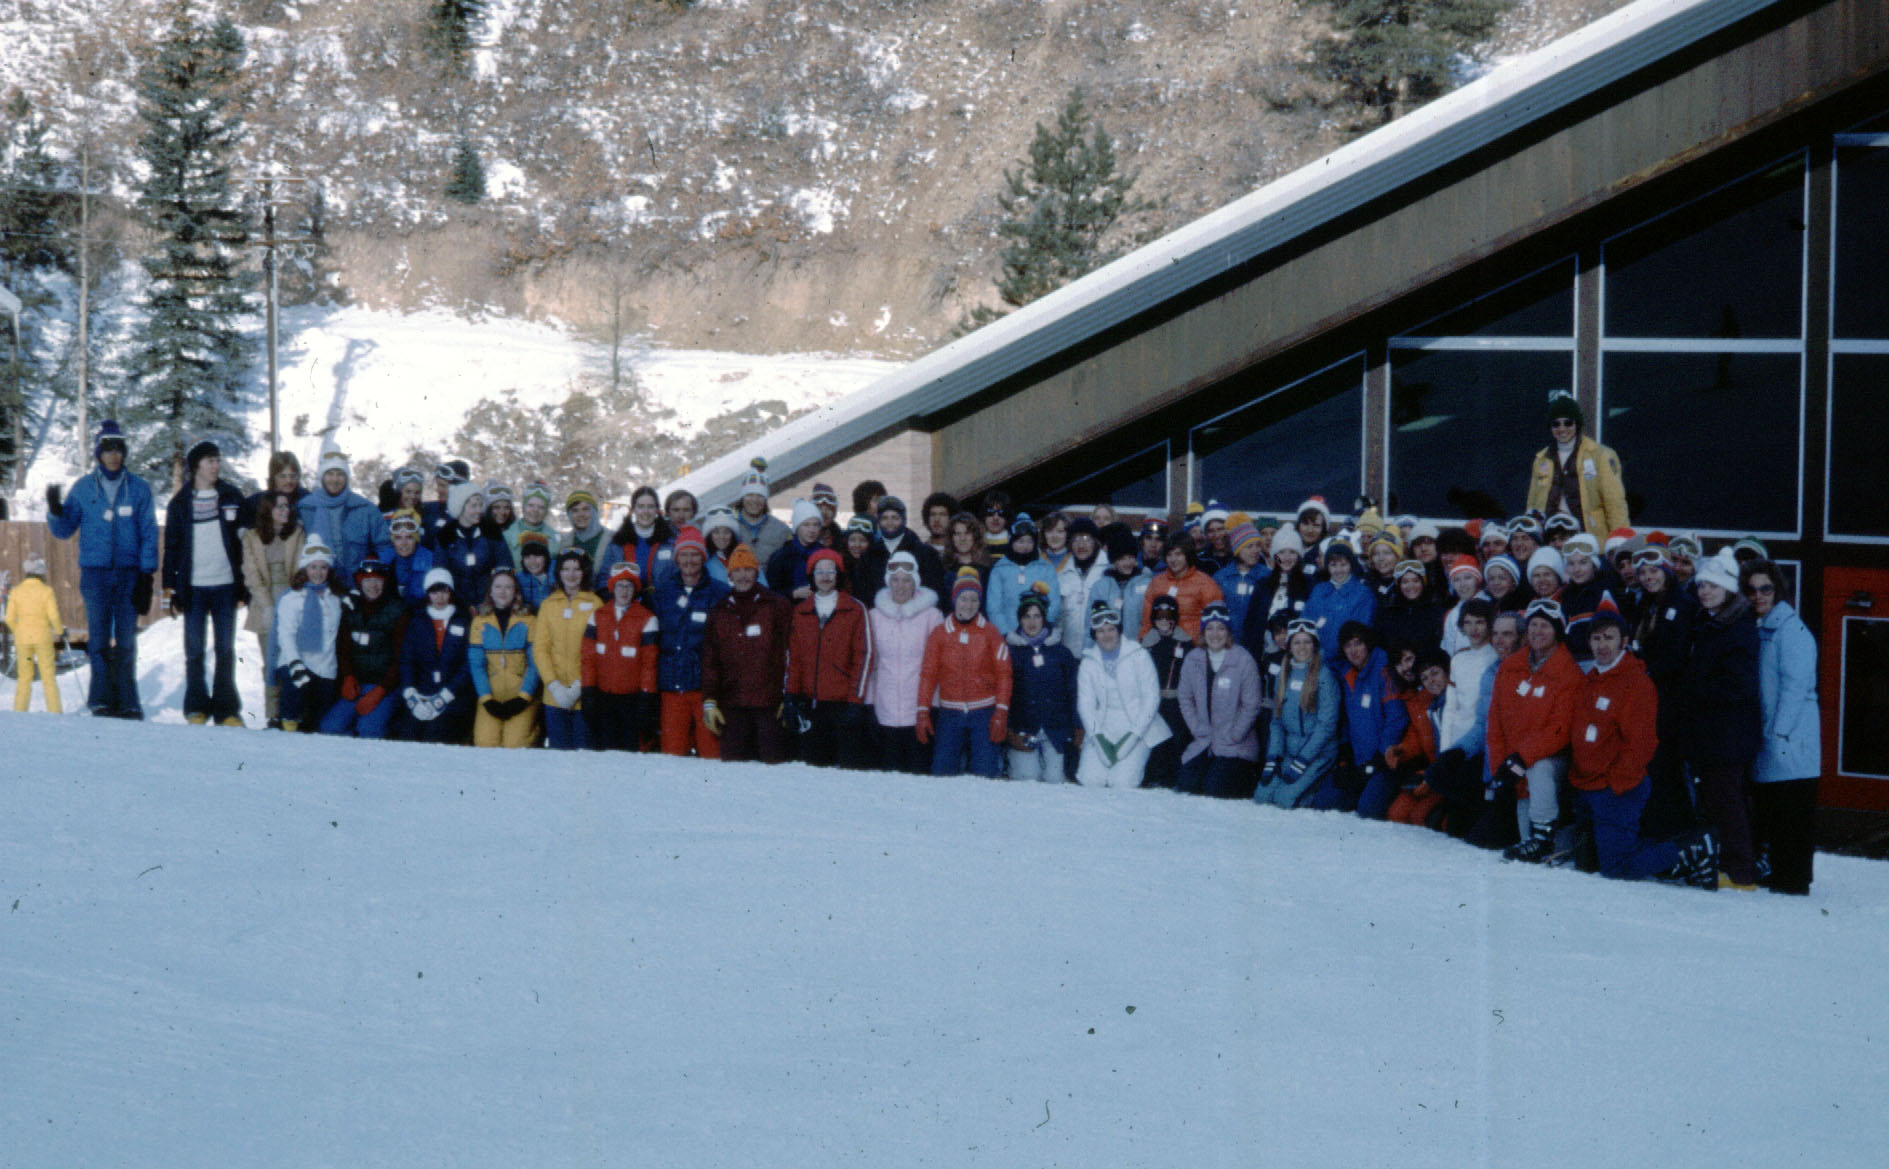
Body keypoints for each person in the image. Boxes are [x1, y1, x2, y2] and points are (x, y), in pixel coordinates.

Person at [1567, 594, 1719, 886]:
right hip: (1587, 786)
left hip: (1615, 788)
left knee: (1615, 867)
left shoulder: (1635, 682)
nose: (1602, 645)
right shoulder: (1590, 679)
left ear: (1624, 641)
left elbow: (1641, 743)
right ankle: (1671, 859)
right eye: (1596, 638)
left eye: (1609, 637)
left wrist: (1616, 784)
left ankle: (1693, 848)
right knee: (1589, 862)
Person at [46, 419, 159, 719]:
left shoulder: (138, 489)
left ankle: (127, 700)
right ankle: (101, 700)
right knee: (97, 639)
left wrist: (146, 574)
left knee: (125, 639)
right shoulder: (84, 488)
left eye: (119, 449)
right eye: (108, 450)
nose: (114, 456)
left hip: (129, 574)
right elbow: (64, 530)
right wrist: (55, 511)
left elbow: (149, 531)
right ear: (99, 453)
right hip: (95, 575)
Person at [1680, 549, 1764, 888]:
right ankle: (1725, 862)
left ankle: (1740, 870)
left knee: (1728, 800)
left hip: (1729, 733)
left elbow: (1740, 684)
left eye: (1712, 586)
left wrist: (1697, 689)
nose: (1704, 592)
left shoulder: (1737, 627)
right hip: (1712, 731)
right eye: (1701, 585)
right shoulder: (1710, 622)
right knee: (1717, 798)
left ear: (1729, 588)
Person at [1743, 558, 1820, 895]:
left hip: (1791, 741)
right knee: (1778, 810)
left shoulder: (1791, 630)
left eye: (1766, 588)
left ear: (1778, 590)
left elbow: (1795, 687)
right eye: (1751, 590)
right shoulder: (1762, 628)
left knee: (1794, 809)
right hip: (1773, 741)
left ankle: (1794, 879)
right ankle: (1783, 873)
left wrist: (1779, 733)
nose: (1758, 595)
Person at [1487, 598, 1583, 862]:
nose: (1537, 631)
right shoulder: (1511, 667)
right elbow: (1495, 723)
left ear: (1557, 631)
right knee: (1516, 836)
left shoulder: (1568, 673)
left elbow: (1560, 729)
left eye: (1545, 626)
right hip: (1517, 765)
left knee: (1539, 769)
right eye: (1533, 625)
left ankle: (1545, 838)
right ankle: (1545, 839)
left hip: (1550, 763)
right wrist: (1500, 769)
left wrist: (1521, 758)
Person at [701, 544, 794, 764]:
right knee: (734, 768)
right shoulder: (719, 610)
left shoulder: (777, 605)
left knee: (772, 767)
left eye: (748, 570)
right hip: (732, 703)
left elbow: (791, 652)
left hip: (769, 703)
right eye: (737, 570)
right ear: (730, 575)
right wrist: (710, 700)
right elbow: (711, 660)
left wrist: (790, 695)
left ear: (756, 572)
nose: (743, 576)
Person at [917, 570, 1013, 777]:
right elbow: (928, 674)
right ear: (954, 599)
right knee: (942, 772)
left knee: (985, 773)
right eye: (963, 599)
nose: (968, 605)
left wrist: (1001, 711)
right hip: (950, 712)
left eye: (974, 599)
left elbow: (1004, 674)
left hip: (984, 711)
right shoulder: (940, 633)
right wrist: (923, 710)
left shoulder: (991, 632)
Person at [786, 548, 875, 769]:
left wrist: (855, 701)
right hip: (812, 704)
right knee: (815, 770)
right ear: (811, 576)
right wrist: (791, 696)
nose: (825, 577)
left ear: (838, 575)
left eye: (830, 571)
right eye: (819, 571)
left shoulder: (855, 609)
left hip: (843, 704)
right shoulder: (801, 611)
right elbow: (794, 658)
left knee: (846, 770)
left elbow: (864, 656)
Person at [653, 527, 730, 759]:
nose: (689, 560)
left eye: (695, 554)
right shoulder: (663, 592)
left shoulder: (719, 592)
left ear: (703, 558)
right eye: (684, 555)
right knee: (673, 754)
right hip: (672, 686)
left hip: (705, 690)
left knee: (711, 754)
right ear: (676, 559)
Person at [1316, 622, 1409, 815]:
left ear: (1368, 643)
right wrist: (1345, 754)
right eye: (1347, 645)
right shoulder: (1347, 674)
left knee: (1367, 811)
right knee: (1323, 801)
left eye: (1358, 643)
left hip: (1384, 761)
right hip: (1359, 761)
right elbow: (1347, 720)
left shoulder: (1383, 668)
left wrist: (1382, 755)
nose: (1353, 650)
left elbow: (1396, 717)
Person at [1075, 601, 1168, 788]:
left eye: (1111, 629)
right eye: (1101, 631)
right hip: (1103, 726)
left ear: (1119, 631)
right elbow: (1085, 704)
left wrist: (1133, 735)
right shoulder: (1088, 662)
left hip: (1137, 725)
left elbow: (1151, 699)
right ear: (1094, 635)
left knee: (1122, 782)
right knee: (1090, 780)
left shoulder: (1139, 655)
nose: (1107, 635)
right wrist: (1097, 738)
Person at [1175, 601, 1263, 799]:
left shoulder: (1243, 660)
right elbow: (1185, 697)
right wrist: (1196, 727)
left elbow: (1251, 704)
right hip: (1205, 739)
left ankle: (1246, 776)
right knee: (1186, 784)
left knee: (1214, 788)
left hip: (1235, 743)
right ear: (1203, 632)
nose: (1215, 634)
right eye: (1210, 628)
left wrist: (1235, 735)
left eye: (1221, 628)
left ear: (1229, 632)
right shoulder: (1193, 659)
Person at [868, 550, 943, 773]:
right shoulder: (874, 616)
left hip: (919, 711)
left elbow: (937, 665)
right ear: (888, 582)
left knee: (917, 775)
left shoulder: (931, 616)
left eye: (907, 580)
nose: (900, 586)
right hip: (885, 711)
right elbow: (871, 665)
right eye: (895, 580)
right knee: (890, 776)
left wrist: (933, 705)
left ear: (915, 583)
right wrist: (869, 704)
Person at [1254, 618, 1342, 808]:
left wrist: (1304, 759)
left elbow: (1326, 726)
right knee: (1262, 797)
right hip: (1290, 751)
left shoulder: (1324, 676)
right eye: (1297, 642)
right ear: (1290, 647)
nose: (1302, 647)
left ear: (1315, 645)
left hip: (1317, 753)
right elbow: (1276, 722)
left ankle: (1317, 786)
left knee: (1285, 800)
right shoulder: (1284, 674)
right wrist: (1273, 757)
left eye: (1307, 642)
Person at [319, 560, 409, 740]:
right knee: (329, 728)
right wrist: (348, 677)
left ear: (385, 582)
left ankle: (392, 729)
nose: (373, 586)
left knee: (368, 731)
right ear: (360, 582)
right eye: (368, 581)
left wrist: (381, 690)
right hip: (358, 684)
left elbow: (402, 658)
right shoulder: (352, 608)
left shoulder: (398, 610)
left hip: (386, 686)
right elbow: (343, 648)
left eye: (378, 580)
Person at [1525, 389, 1630, 542]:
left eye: (1568, 423)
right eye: (1556, 424)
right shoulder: (1542, 459)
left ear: (1577, 424)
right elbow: (1532, 506)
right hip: (1550, 539)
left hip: (1588, 539)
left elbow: (1615, 504)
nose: (1562, 429)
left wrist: (1620, 542)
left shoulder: (1600, 455)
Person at [240, 491, 306, 726]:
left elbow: (300, 569)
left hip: (291, 597)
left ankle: (292, 712)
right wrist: (267, 606)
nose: (285, 510)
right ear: (267, 510)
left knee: (291, 658)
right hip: (264, 602)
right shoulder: (251, 537)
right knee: (270, 661)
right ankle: (273, 713)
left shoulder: (297, 534)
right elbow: (251, 574)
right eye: (279, 507)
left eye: (287, 506)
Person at [582, 562, 661, 753]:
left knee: (630, 752)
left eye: (629, 586)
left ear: (635, 589)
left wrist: (646, 696)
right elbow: (588, 659)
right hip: (604, 697)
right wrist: (588, 690)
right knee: (605, 750)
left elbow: (649, 664)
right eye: (620, 585)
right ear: (612, 588)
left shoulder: (647, 618)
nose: (624, 591)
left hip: (631, 699)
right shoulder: (598, 616)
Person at [1004, 590, 1079, 782]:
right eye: (1026, 616)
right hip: (1024, 729)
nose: (1032, 622)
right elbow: (1004, 694)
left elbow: (1073, 693)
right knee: (1028, 778)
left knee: (1055, 780)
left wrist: (1077, 728)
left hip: (1055, 730)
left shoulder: (1061, 653)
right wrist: (1009, 732)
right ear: (1020, 620)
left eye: (1037, 616)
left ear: (1044, 618)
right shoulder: (1011, 652)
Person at [275, 535, 344, 733]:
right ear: (305, 568)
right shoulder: (292, 599)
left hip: (325, 667)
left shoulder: (335, 599)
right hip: (298, 663)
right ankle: (288, 728)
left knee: (319, 721)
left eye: (323, 567)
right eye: (313, 567)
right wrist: (295, 663)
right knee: (293, 706)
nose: (318, 573)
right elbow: (286, 635)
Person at [535, 549, 603, 751]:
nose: (571, 574)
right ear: (558, 572)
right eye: (566, 569)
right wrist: (553, 685)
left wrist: (579, 686)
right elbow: (540, 649)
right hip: (554, 697)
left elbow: (599, 649)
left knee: (583, 756)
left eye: (576, 569)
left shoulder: (595, 604)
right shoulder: (548, 605)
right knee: (558, 754)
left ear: (584, 572)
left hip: (584, 694)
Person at [399, 567, 476, 744]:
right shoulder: (418, 621)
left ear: (450, 592)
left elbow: (467, 664)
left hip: (453, 695)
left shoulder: (462, 620)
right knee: (407, 734)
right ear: (428, 594)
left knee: (434, 735)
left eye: (444, 591)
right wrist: (411, 694)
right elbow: (407, 660)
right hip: (422, 692)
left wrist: (446, 695)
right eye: (434, 592)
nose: (439, 597)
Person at [298, 442, 393, 583]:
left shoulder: (365, 508)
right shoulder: (306, 508)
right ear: (322, 476)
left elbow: (385, 547)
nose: (335, 480)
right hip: (320, 586)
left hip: (358, 586)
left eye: (340, 474)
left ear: (347, 477)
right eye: (329, 474)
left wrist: (374, 577)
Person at [467, 569, 539, 749]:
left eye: (508, 587)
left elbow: (535, 663)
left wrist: (524, 697)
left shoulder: (529, 620)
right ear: (490, 591)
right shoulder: (480, 621)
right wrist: (486, 699)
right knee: (485, 743)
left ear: (516, 592)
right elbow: (477, 665)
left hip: (521, 694)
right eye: (498, 586)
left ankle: (536, 730)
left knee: (514, 745)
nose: (503, 591)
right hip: (492, 694)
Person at [1382, 649, 1453, 826]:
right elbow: (1416, 736)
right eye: (1425, 678)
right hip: (1433, 771)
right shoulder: (1426, 703)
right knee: (1396, 814)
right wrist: (1402, 750)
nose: (1431, 681)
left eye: (1435, 673)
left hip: (1449, 775)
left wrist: (1434, 776)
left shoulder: (1457, 700)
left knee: (1420, 817)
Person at [1140, 594, 1194, 788]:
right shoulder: (1146, 644)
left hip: (1175, 699)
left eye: (1168, 617)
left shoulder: (1184, 643)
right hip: (1153, 700)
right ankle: (1152, 773)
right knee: (1154, 737)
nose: (1163, 622)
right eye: (1159, 617)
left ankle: (1173, 775)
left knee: (1176, 736)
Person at [854, 496, 947, 605]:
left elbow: (935, 592)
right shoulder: (869, 556)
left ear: (903, 520)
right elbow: (862, 596)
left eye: (895, 518)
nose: (890, 522)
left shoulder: (925, 553)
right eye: (885, 518)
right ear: (878, 520)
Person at [434, 481, 513, 603]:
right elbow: (440, 573)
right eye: (474, 506)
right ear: (461, 507)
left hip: (490, 601)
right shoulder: (446, 535)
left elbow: (504, 565)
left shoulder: (491, 531)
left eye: (481, 505)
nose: (479, 510)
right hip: (457, 603)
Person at [984, 515, 1060, 637]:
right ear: (1012, 541)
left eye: (1030, 541)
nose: (1025, 546)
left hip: (1040, 636)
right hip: (1009, 636)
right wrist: (1006, 633)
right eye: (1020, 541)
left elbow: (1054, 603)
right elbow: (994, 608)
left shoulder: (1046, 569)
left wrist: (1042, 631)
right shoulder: (999, 570)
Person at [7, 556, 65, 713]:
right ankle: (55, 711)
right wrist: (60, 631)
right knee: (48, 676)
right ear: (41, 574)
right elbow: (53, 616)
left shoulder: (16, 591)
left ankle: (20, 711)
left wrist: (18, 631)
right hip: (42, 638)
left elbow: (9, 618)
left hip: (23, 639)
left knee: (24, 677)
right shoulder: (46, 591)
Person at [1303, 541, 1374, 666]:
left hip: (1346, 663)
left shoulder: (1363, 594)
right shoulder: (1319, 590)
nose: (1339, 570)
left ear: (1351, 565)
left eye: (1343, 564)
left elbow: (1362, 632)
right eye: (1333, 565)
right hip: (1315, 661)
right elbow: (1305, 622)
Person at [1140, 538, 1224, 642]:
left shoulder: (1206, 584)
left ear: (1188, 555)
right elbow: (1146, 621)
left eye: (1178, 554)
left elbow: (1216, 622)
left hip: (1193, 645)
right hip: (1161, 645)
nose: (1173, 559)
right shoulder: (1157, 582)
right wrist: (1144, 641)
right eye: (1169, 555)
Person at [596, 486, 676, 593]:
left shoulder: (669, 541)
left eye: (650, 506)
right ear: (633, 510)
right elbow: (603, 579)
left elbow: (678, 578)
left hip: (662, 602)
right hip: (627, 602)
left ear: (657, 510)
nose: (645, 511)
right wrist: (617, 598)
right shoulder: (619, 542)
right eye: (641, 506)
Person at [1088, 525, 1153, 641]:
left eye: (1130, 557)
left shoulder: (1147, 584)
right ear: (1114, 561)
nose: (1128, 563)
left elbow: (1151, 622)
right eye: (1122, 558)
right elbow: (1090, 624)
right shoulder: (1101, 586)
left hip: (1137, 647)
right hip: (1108, 647)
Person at [1374, 560, 1444, 654]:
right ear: (1398, 585)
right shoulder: (1388, 613)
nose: (1411, 586)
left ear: (1423, 583)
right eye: (1405, 582)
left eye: (1416, 581)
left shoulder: (1435, 611)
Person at [1213, 520, 1268, 637]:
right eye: (1249, 546)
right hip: (1228, 639)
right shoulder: (1221, 577)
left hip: (1257, 639)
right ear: (1237, 549)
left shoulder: (1267, 576)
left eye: (1258, 545)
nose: (1255, 551)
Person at [765, 500, 827, 602]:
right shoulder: (781, 557)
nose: (812, 530)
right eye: (806, 525)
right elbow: (771, 591)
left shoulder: (825, 554)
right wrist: (793, 593)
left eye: (816, 525)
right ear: (797, 527)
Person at [733, 464, 792, 568]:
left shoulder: (781, 530)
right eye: (750, 495)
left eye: (760, 495)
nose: (755, 500)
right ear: (742, 497)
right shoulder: (729, 526)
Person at [240, 451, 307, 531]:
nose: (288, 481)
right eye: (282, 476)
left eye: (293, 476)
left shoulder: (306, 499)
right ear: (273, 477)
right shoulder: (256, 502)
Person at [939, 511, 992, 610]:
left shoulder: (985, 571)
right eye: (957, 534)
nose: (962, 538)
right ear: (951, 538)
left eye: (967, 533)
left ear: (975, 536)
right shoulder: (944, 570)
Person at [506, 480, 559, 567]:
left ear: (546, 511)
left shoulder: (555, 539)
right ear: (523, 507)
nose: (535, 510)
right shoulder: (507, 536)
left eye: (541, 507)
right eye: (530, 505)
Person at [562, 489, 611, 566]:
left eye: (585, 509)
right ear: (569, 515)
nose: (581, 514)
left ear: (594, 512)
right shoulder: (564, 542)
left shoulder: (612, 539)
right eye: (575, 510)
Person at [515, 533, 554, 609]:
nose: (532, 561)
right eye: (527, 557)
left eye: (537, 556)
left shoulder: (558, 571)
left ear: (546, 557)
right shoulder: (519, 578)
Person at [980, 490, 1012, 561]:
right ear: (984, 515)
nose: (996, 517)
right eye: (990, 512)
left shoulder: (1014, 540)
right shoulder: (979, 541)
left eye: (1001, 513)